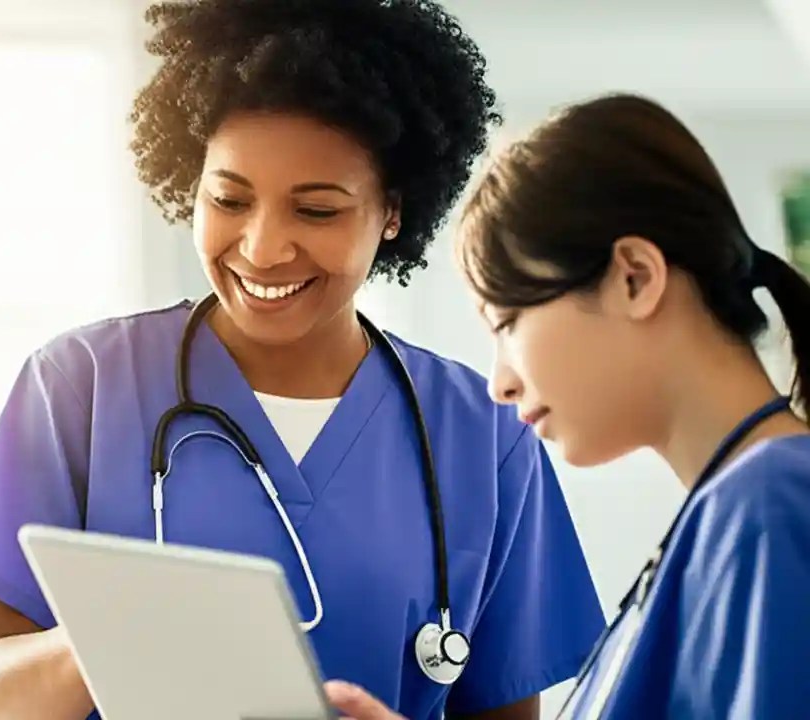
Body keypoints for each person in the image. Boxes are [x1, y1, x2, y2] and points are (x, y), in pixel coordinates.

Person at [0, 2, 605, 718]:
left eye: (316, 211)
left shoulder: (484, 434)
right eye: (229, 199)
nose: (262, 248)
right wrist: (111, 630)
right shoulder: (78, 388)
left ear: (393, 212)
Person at [327, 93, 810, 719]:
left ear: (635, 278)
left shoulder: (774, 503)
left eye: (507, 322)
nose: (500, 383)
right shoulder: (728, 521)